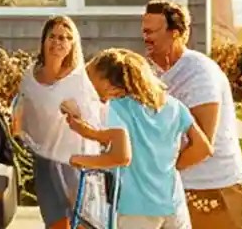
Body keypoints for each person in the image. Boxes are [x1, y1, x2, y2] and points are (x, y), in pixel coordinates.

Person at [64, 48, 214, 229]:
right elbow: (203, 148)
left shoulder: (118, 107)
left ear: (109, 83)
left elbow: (121, 156)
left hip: (136, 210)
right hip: (173, 206)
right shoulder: (174, 106)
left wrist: (78, 160)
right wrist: (165, 168)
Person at [143, 0, 242, 229]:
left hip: (215, 191)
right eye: (143, 30)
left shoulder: (198, 72)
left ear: (175, 33)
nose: (145, 37)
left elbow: (201, 145)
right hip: (176, 191)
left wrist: (156, 173)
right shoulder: (149, 71)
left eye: (151, 31)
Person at [11, 16, 104, 229]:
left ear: (72, 45)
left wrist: (77, 113)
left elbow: (94, 120)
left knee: (81, 220)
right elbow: (22, 108)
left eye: (65, 38)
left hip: (72, 160)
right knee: (54, 220)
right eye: (52, 36)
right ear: (44, 40)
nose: (57, 42)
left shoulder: (77, 79)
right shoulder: (30, 74)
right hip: (43, 157)